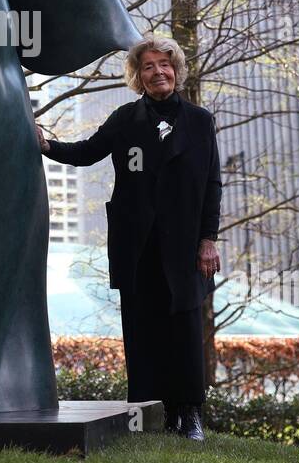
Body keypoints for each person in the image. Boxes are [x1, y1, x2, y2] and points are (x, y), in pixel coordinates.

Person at [36, 36, 223, 441]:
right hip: (137, 244)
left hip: (186, 245)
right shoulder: (125, 119)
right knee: (142, 329)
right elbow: (86, 152)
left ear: (176, 70)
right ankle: (146, 413)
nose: (159, 72)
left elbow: (212, 183)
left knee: (185, 329)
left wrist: (208, 239)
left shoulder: (200, 121)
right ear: (138, 77)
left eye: (165, 64)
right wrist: (47, 144)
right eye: (149, 66)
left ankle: (187, 414)